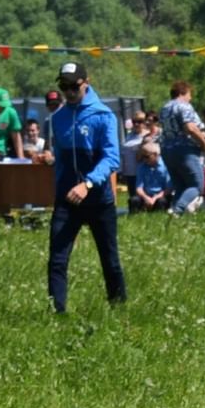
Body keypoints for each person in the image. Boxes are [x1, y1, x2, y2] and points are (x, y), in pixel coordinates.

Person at [46, 61, 128, 314]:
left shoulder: (103, 116)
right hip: (67, 199)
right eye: (64, 87)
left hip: (98, 199)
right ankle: (57, 314)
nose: (69, 92)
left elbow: (112, 158)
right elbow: (61, 156)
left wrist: (88, 183)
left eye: (74, 86)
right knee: (57, 260)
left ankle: (119, 310)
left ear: (86, 83)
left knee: (109, 260)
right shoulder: (57, 118)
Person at [158, 81, 205, 215]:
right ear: (183, 92)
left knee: (180, 185)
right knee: (197, 185)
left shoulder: (164, 108)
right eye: (189, 94)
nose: (190, 98)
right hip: (184, 149)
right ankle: (178, 209)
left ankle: (174, 212)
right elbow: (190, 127)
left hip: (167, 149)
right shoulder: (184, 106)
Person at [130, 141, 171, 214]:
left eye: (147, 156)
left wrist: (155, 198)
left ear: (156, 155)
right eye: (143, 157)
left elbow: (168, 189)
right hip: (146, 196)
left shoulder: (166, 166)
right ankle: (134, 217)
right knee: (134, 200)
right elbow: (139, 188)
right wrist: (146, 198)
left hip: (161, 195)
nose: (144, 159)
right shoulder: (141, 167)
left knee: (161, 201)